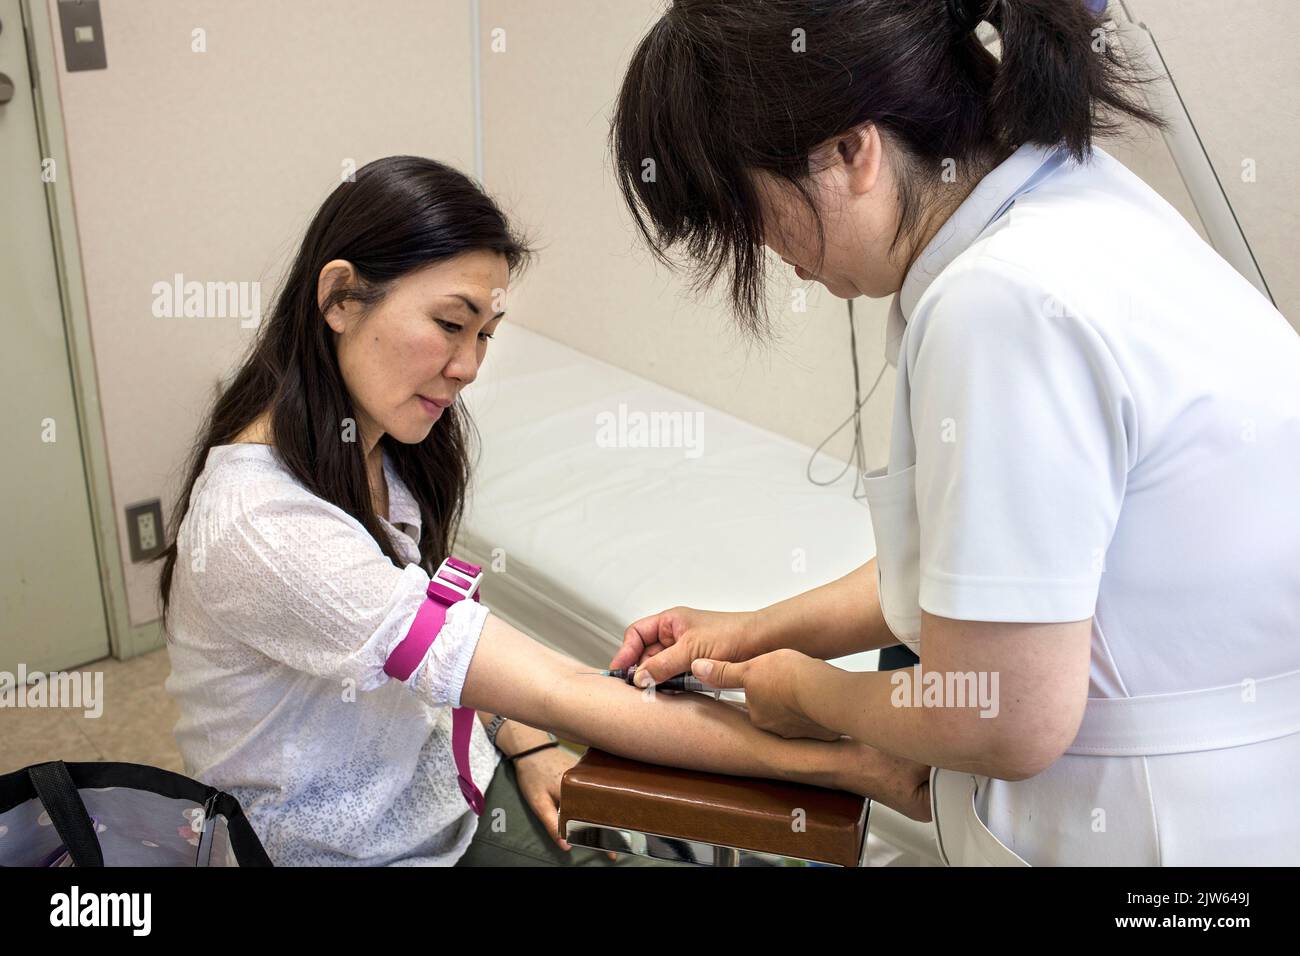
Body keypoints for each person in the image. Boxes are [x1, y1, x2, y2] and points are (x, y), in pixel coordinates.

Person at [608, 0, 1300, 865]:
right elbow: (999, 578)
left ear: (851, 151)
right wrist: (756, 632)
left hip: (1156, 838)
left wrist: (807, 694)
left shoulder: (1001, 304)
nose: (757, 244)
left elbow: (1001, 713)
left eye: (743, 205)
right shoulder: (1080, 206)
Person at [157, 155, 932, 867]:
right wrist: (848, 761)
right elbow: (562, 688)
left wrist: (523, 745)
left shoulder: (379, 448)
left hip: (451, 791)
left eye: (486, 335)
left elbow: (446, 664)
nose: (468, 369)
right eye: (450, 325)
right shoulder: (263, 527)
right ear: (340, 297)